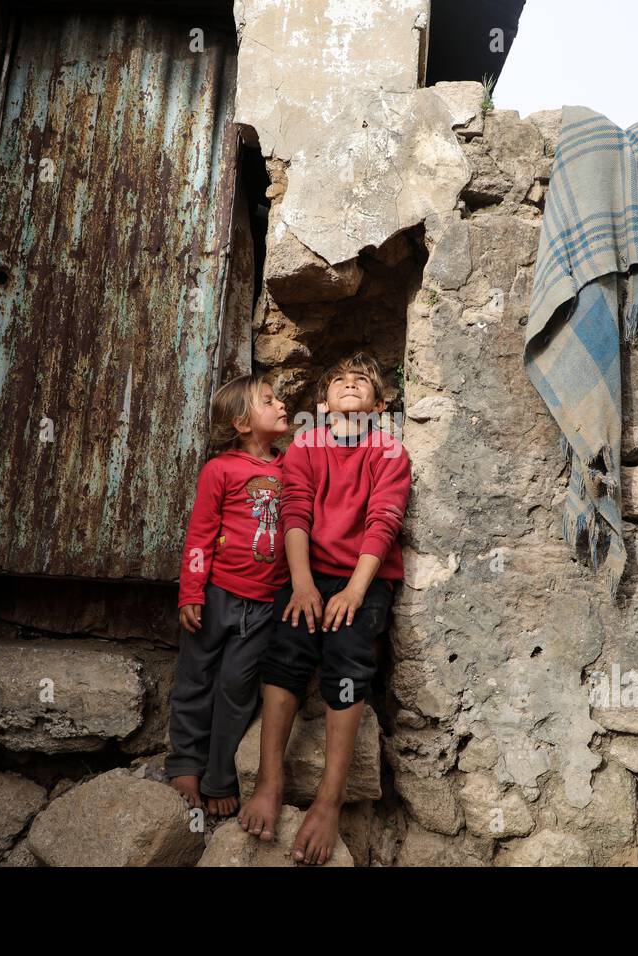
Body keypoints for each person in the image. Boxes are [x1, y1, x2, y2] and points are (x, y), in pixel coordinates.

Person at [237, 351, 411, 863]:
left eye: (363, 382)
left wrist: (355, 592)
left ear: (379, 407)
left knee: (349, 657)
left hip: (364, 575)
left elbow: (383, 522)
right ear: (322, 403)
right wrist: (303, 585)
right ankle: (270, 781)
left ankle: (329, 800)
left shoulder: (389, 452)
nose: (351, 384)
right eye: (340, 381)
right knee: (287, 648)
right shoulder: (306, 446)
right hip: (307, 572)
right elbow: (295, 512)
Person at [166, 373, 289, 817]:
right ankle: (184, 762)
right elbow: (200, 536)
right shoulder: (221, 470)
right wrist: (191, 592)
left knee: (237, 688)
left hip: (264, 604)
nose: (281, 405)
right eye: (269, 401)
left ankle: (221, 775)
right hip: (216, 595)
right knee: (195, 678)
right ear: (241, 423)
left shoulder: (289, 469)